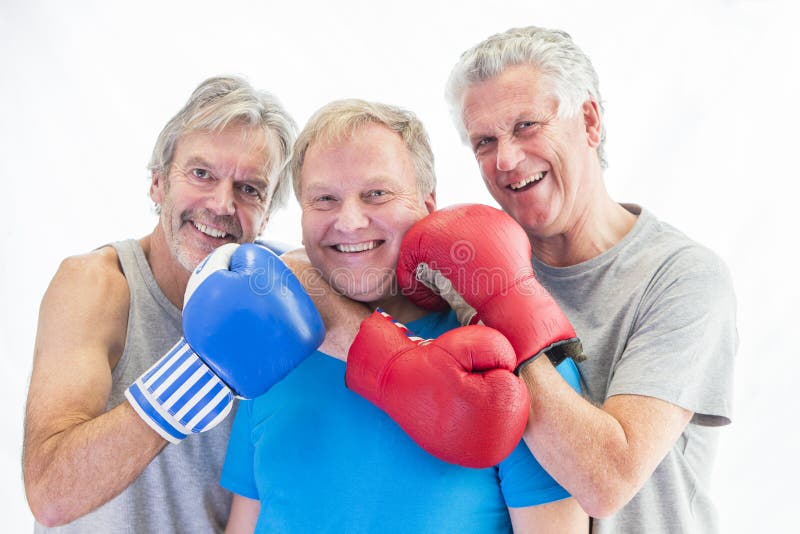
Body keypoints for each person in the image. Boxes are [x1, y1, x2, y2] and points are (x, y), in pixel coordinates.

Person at [412, 26, 737, 533]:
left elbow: (607, 480)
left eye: (525, 126)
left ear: (588, 120)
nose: (506, 160)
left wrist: (495, 304)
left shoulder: (680, 277)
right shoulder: (465, 261)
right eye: (485, 141)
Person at [221, 99, 589, 533]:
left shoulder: (506, 362)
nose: (351, 221)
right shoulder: (270, 347)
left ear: (428, 204)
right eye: (324, 199)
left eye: (376, 194)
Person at [22, 75, 335, 533]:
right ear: (157, 183)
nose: (222, 203)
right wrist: (200, 368)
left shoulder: (283, 288)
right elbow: (51, 494)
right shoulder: (96, 285)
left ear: (267, 213)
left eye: (250, 189)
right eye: (202, 173)